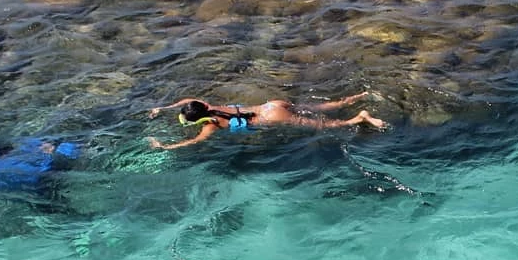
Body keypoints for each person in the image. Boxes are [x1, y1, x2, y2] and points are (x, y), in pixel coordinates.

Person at [147, 93, 386, 150]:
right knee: (316, 107)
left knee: (320, 125)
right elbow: (190, 99)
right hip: (272, 104)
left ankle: (359, 117)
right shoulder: (209, 105)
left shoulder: (211, 124)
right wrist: (165, 107)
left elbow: (194, 142)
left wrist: (165, 147)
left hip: (270, 117)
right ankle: (357, 97)